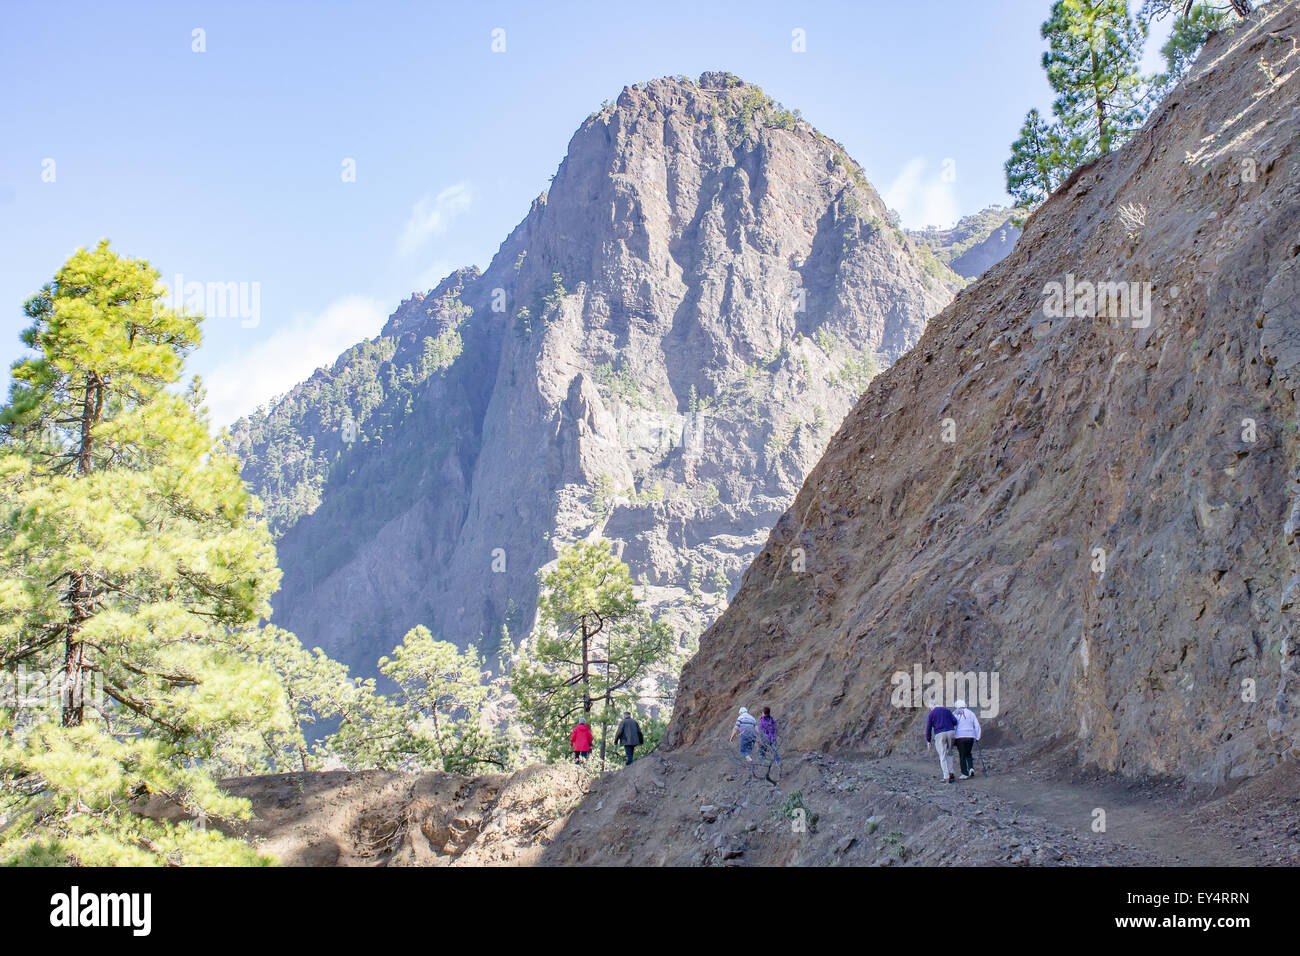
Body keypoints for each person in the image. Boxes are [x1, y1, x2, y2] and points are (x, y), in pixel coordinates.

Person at [924, 703, 958, 783]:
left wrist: (928, 740)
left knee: (942, 755)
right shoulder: (947, 710)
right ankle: (951, 772)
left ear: (931, 707)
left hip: (940, 734)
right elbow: (955, 721)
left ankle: (946, 776)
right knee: (950, 753)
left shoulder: (931, 713)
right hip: (951, 732)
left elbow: (928, 728)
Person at [953, 698, 982, 779]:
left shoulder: (955, 713)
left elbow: (953, 726)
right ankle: (971, 768)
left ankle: (964, 773)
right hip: (970, 736)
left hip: (960, 737)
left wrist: (953, 736)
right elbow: (976, 724)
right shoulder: (970, 713)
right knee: (968, 753)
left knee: (962, 755)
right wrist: (977, 736)